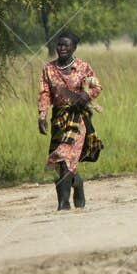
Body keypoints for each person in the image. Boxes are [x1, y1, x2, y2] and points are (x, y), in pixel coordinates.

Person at [37, 30, 102, 211]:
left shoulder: (83, 67)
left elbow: (97, 86)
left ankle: (63, 204)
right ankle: (77, 183)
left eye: (66, 45)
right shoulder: (48, 69)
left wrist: (85, 94)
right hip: (58, 119)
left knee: (65, 157)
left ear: (74, 47)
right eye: (59, 44)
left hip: (78, 118)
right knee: (61, 162)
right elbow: (44, 93)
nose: (62, 48)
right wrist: (42, 115)